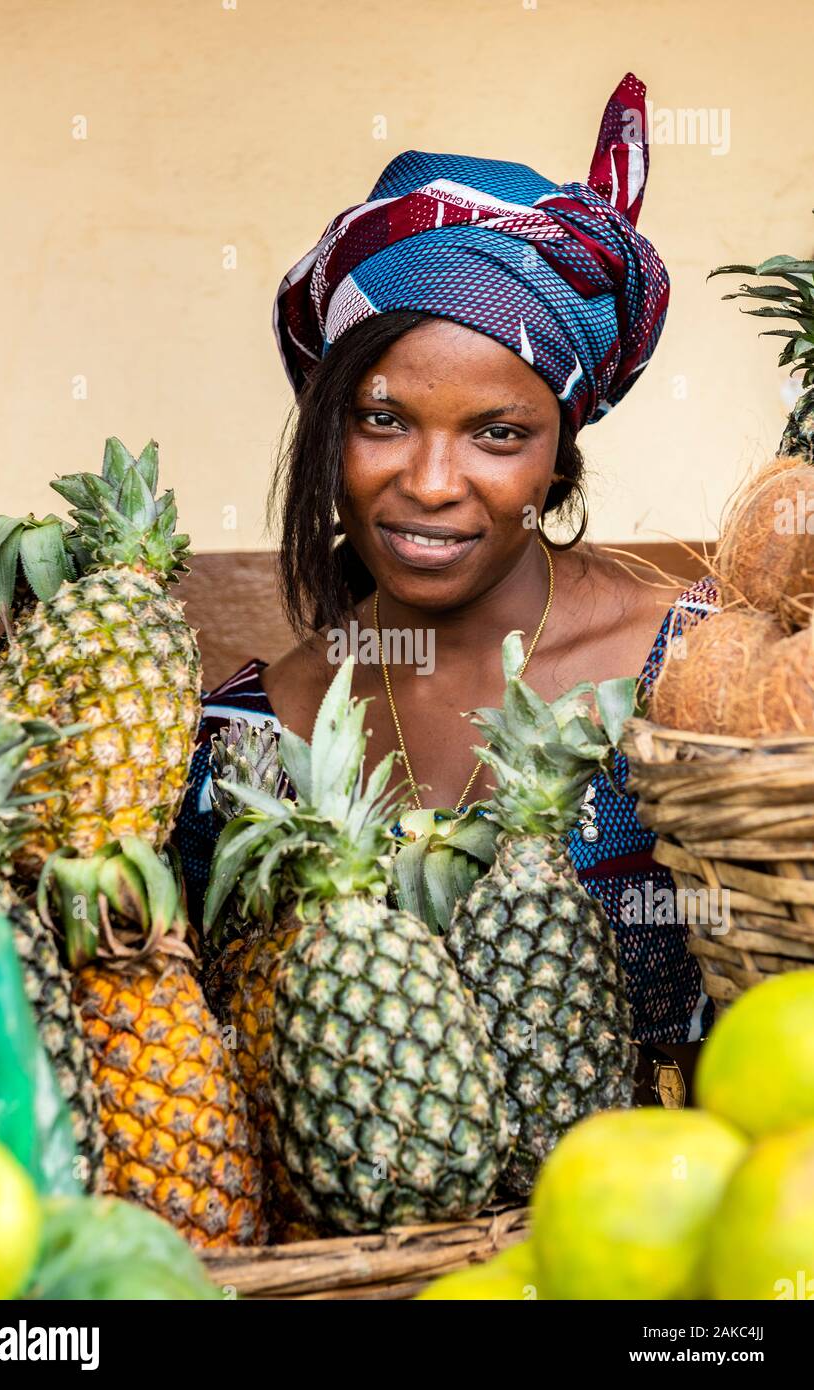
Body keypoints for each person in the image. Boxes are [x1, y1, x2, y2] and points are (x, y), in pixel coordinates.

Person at [175, 72, 720, 1098]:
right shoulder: (244, 741)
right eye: (382, 419)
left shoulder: (692, 675)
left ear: (560, 453)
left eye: (498, 433)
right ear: (329, 427)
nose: (427, 484)